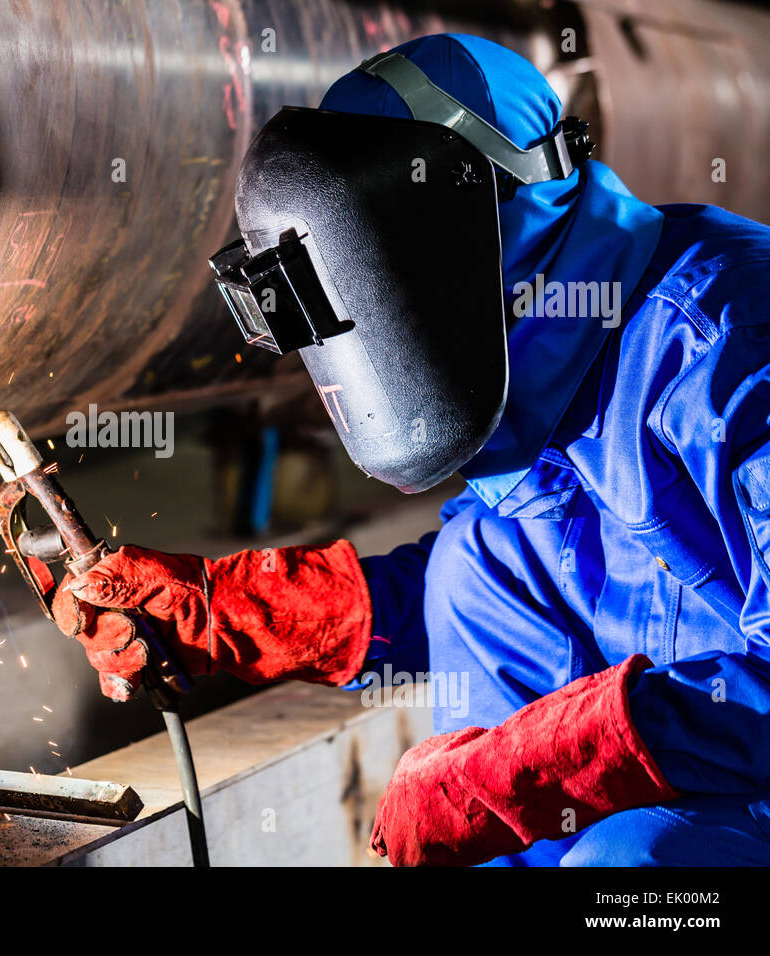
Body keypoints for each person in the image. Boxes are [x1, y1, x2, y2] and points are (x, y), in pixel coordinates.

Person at [51, 33, 770, 866]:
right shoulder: (536, 354)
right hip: (690, 759)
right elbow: (505, 579)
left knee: (635, 864)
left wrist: (520, 772)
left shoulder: (732, 342)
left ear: (483, 208)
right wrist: (234, 613)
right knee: (471, 569)